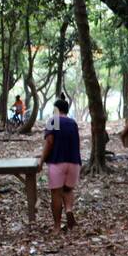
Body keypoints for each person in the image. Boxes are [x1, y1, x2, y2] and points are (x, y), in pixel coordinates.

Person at [36, 97, 82, 232]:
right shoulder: (73, 123)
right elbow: (77, 144)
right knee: (68, 190)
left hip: (57, 162)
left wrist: (41, 160)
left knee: (56, 194)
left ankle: (57, 227)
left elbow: (49, 142)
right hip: (74, 162)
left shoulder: (53, 120)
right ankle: (68, 209)